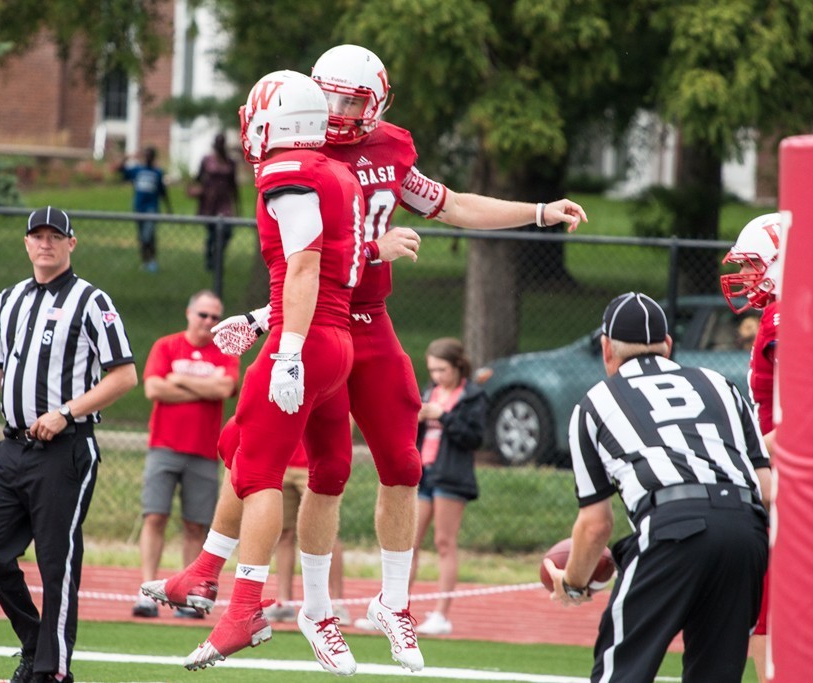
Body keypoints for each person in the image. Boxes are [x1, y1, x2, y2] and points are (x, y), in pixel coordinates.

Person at [180, 43, 588, 673]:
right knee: (322, 468)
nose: (334, 109)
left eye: (348, 99)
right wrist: (366, 253)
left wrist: (536, 212)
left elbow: (448, 204)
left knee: (402, 461)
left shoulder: (391, 148)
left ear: (375, 106)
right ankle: (310, 607)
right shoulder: (301, 151)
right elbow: (310, 256)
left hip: (366, 326)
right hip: (318, 322)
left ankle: (391, 604)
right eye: (327, 95)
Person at [176, 70, 370, 676]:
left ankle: (242, 609)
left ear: (275, 119)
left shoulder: (288, 172)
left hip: (308, 341)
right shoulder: (337, 171)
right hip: (335, 339)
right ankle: (203, 573)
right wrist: (263, 319)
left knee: (258, 472)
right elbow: (330, 269)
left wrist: (285, 349)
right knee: (236, 442)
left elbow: (307, 265)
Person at [0, 206, 138, 683]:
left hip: (65, 448)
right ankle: (36, 642)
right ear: (26, 243)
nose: (46, 243)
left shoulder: (92, 301)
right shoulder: (8, 299)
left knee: (57, 562)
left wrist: (67, 411)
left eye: (56, 235)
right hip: (11, 449)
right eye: (38, 235)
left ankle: (52, 670)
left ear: (72, 244)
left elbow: (125, 375)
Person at [543, 292, 771, 683]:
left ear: (605, 349)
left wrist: (575, 584)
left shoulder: (595, 403)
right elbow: (767, 489)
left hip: (672, 527)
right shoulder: (720, 385)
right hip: (745, 531)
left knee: (623, 670)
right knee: (715, 674)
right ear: (668, 345)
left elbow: (596, 524)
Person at [131, 290, 240, 620]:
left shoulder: (225, 351)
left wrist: (178, 380)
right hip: (164, 446)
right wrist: (200, 387)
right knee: (155, 517)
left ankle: (186, 593)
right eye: (202, 315)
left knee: (196, 525)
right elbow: (153, 388)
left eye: (214, 317)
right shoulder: (166, 346)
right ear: (189, 313)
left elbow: (225, 389)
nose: (208, 322)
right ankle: (147, 590)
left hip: (204, 451)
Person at [720, 212, 783, 680]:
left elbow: (806, 416)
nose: (743, 276)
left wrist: (749, 460)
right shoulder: (784, 313)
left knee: (769, 608)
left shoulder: (782, 317)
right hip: (781, 476)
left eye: (753, 264)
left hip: (784, 481)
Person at [410, 338, 487, 636]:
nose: (437, 376)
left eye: (442, 369)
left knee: (444, 542)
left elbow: (474, 438)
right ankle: (396, 609)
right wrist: (417, 418)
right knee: (408, 544)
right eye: (432, 370)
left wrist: (443, 416)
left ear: (457, 366)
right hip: (424, 472)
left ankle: (441, 615)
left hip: (451, 476)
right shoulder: (430, 392)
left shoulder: (473, 396)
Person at [265, 442, 349, 624]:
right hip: (283, 462)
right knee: (284, 534)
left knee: (328, 533)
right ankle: (284, 601)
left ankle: (336, 603)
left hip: (316, 464)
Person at [118, 146, 173, 272]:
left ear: (153, 157)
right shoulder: (137, 170)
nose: (147, 157)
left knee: (148, 236)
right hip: (139, 208)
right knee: (142, 238)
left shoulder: (157, 172)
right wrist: (127, 157)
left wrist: (168, 208)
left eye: (150, 155)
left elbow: (162, 192)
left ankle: (152, 261)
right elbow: (120, 170)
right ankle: (145, 261)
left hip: (151, 209)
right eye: (145, 155)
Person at [195, 133, 242, 271]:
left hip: (224, 201)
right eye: (218, 142)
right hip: (210, 201)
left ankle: (218, 258)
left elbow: (233, 185)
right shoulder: (207, 160)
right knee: (212, 233)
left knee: (226, 232)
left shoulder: (230, 162)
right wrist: (197, 189)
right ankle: (210, 260)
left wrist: (237, 206)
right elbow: (198, 177)